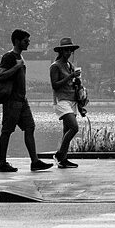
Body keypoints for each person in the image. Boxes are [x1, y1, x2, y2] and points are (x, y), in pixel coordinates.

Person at [0, 29, 52, 172]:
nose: (28, 43)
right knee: (7, 131)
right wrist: (16, 67)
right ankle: (2, 162)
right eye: (25, 41)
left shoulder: (20, 57)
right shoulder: (9, 57)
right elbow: (1, 75)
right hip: (12, 101)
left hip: (22, 101)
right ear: (17, 41)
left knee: (30, 127)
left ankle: (34, 161)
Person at [49, 37, 82, 168]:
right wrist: (70, 76)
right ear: (61, 52)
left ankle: (63, 160)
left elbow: (71, 83)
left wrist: (76, 81)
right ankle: (60, 154)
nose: (69, 53)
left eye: (70, 50)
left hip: (72, 100)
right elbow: (55, 85)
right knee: (74, 128)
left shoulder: (70, 65)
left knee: (66, 131)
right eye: (66, 50)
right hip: (61, 100)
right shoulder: (55, 66)